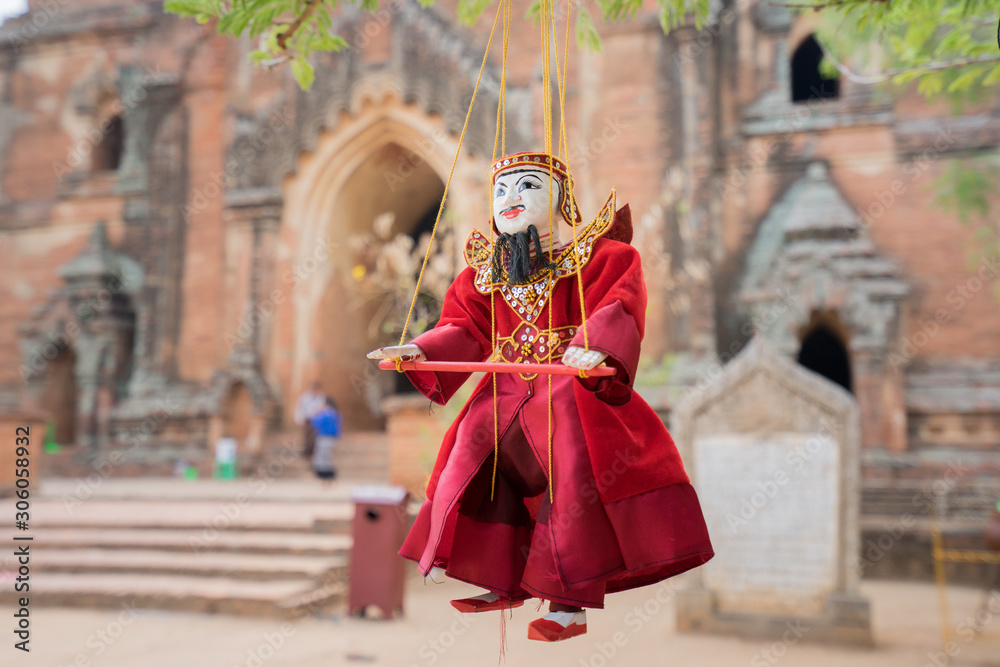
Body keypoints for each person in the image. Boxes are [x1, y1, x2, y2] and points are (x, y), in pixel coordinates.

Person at [368, 151, 713, 642]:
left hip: (568, 388)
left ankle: (569, 601)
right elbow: (463, 327)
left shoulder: (601, 259)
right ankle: (497, 575)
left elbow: (618, 304)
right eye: (502, 190)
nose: (511, 198)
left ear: (561, 198)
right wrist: (418, 348)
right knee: (469, 447)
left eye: (528, 186)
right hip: (506, 389)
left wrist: (593, 350)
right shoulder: (484, 275)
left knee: (570, 461)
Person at [309, 397, 341, 484]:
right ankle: (326, 479)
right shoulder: (335, 413)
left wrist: (318, 412)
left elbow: (315, 422)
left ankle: (329, 478)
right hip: (327, 438)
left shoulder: (328, 413)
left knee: (324, 458)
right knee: (324, 458)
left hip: (326, 437)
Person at [294, 381, 326, 459]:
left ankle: (313, 452)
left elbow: (322, 408)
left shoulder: (321, 397)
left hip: (317, 419)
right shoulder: (305, 396)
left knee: (315, 436)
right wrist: (299, 418)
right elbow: (300, 407)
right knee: (307, 436)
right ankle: (306, 452)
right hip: (307, 419)